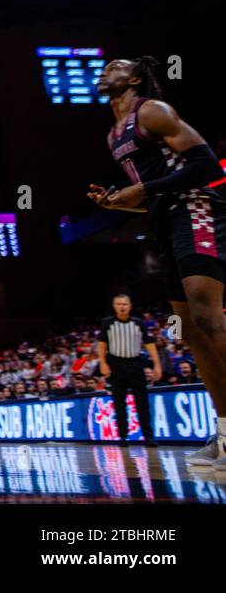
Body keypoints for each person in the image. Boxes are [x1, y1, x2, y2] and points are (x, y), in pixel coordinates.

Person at [89, 56, 226, 468]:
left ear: (132, 78)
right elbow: (150, 195)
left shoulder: (151, 110)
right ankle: (223, 435)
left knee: (206, 317)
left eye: (114, 66)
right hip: (163, 221)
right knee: (191, 334)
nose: (104, 71)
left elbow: (205, 165)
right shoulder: (113, 135)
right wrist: (118, 201)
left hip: (195, 208)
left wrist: (142, 189)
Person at [96, 293, 160, 444]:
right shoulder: (107, 323)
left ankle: (148, 436)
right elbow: (102, 345)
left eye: (124, 304)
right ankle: (123, 436)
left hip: (135, 364)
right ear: (114, 306)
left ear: (130, 306)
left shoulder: (139, 323)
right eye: (118, 304)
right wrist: (103, 363)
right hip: (115, 364)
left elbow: (150, 345)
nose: (122, 307)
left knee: (142, 403)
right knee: (119, 403)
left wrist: (157, 365)